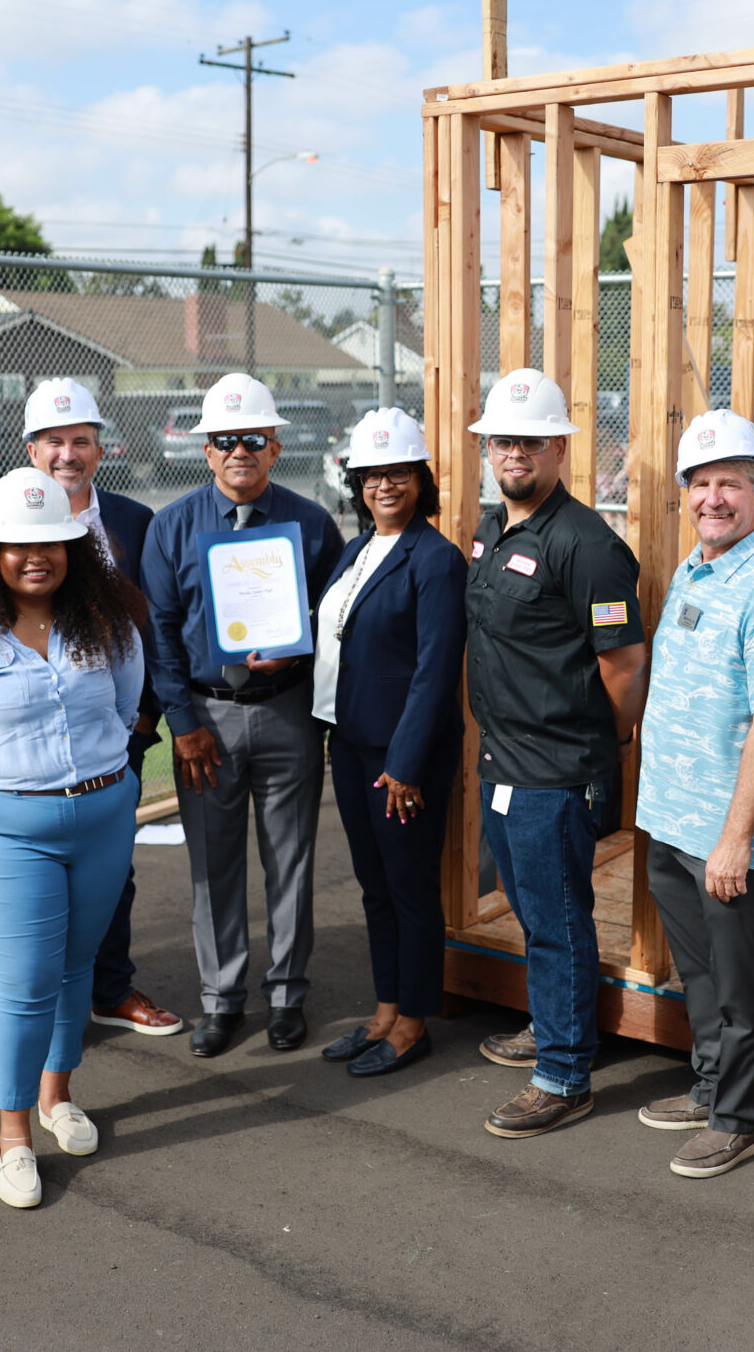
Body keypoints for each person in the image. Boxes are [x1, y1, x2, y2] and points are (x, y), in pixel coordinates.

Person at [0, 467, 144, 1208]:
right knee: (27, 979)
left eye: (53, 541)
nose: (35, 555)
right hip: (8, 824)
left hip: (103, 810)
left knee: (76, 966)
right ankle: (13, 1134)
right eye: (16, 544)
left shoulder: (108, 618)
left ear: (76, 546)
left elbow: (129, 702)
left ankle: (56, 1095)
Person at [140, 372, 346, 1058]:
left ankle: (287, 994)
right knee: (213, 864)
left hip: (286, 713)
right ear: (206, 451)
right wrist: (183, 723)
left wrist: (296, 656)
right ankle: (221, 999)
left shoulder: (312, 523)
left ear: (275, 445)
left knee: (290, 860)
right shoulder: (171, 527)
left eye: (253, 438)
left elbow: (333, 620)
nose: (239, 450)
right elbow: (162, 633)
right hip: (208, 719)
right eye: (225, 440)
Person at [467, 367, 648, 1138]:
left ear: (560, 448)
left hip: (556, 771)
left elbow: (624, 664)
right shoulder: (491, 525)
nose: (514, 453)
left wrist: (600, 744)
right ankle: (551, 1026)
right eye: (502, 440)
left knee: (558, 918)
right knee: (536, 915)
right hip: (503, 764)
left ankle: (565, 1073)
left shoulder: (589, 546)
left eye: (530, 441)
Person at [633, 409, 754, 1177]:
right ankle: (710, 1086)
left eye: (729, 483)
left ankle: (739, 1115)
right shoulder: (694, 569)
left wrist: (736, 835)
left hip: (725, 831)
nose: (713, 497)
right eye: (700, 483)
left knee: (739, 982)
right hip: (671, 818)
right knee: (699, 969)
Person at [22, 377, 181, 1037]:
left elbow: (155, 626)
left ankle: (109, 987)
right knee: (33, 871)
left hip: (117, 734)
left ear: (100, 448)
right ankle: (37, 1000)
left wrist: (145, 715)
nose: (68, 453)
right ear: (32, 450)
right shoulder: (2, 520)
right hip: (28, 736)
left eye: (81, 441)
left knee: (112, 865)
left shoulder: (135, 523)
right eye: (54, 441)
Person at [312, 408, 465, 1078]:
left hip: (400, 757)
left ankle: (413, 1021)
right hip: (350, 743)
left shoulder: (435, 559)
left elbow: (435, 667)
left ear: (420, 479)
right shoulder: (358, 547)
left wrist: (404, 765)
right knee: (374, 884)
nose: (384, 485)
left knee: (408, 886)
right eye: (372, 475)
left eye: (397, 473)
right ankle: (384, 1007)